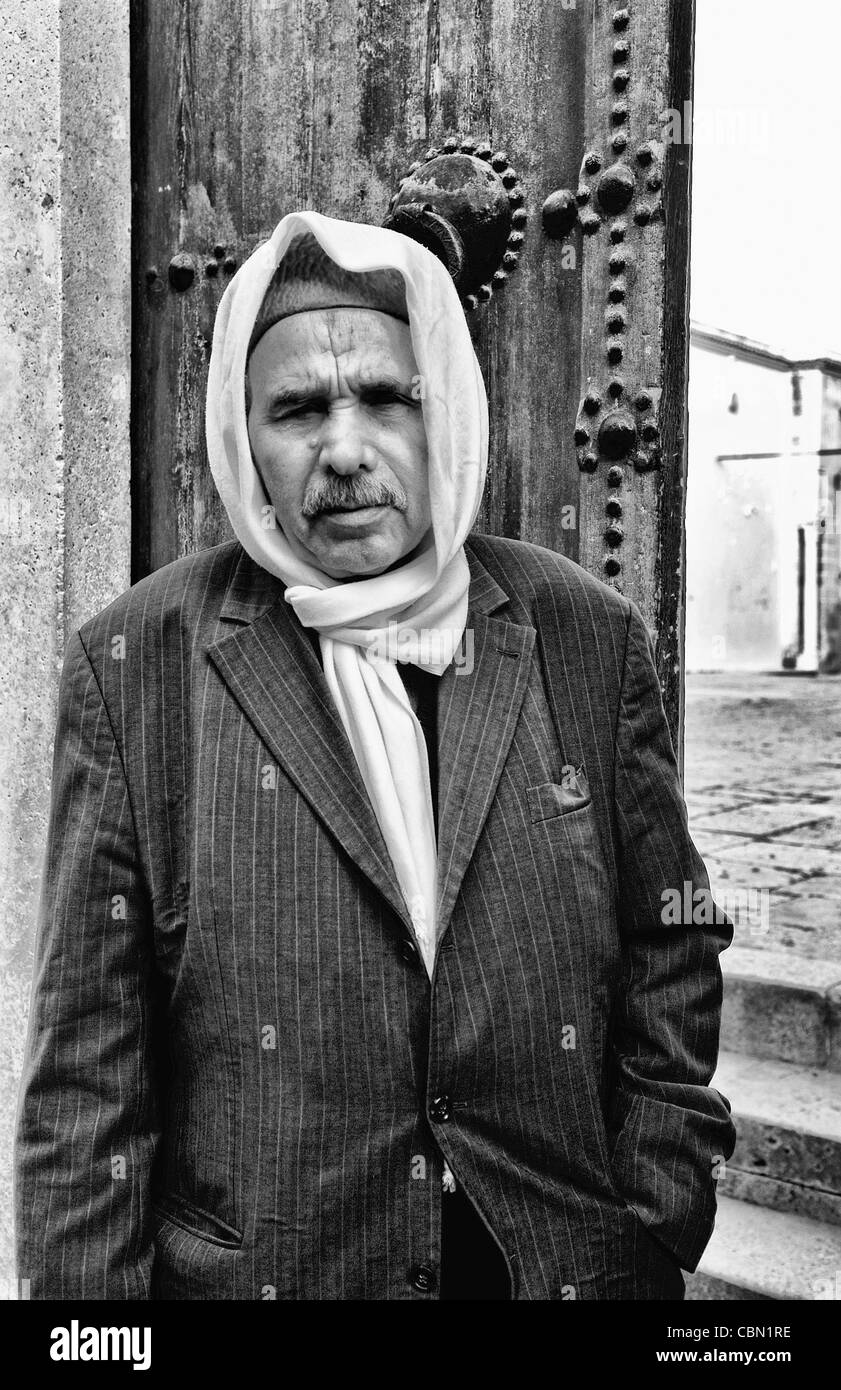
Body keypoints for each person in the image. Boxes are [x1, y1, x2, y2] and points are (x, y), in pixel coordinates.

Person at [14, 210, 736, 1300]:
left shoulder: (582, 634)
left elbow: (668, 936)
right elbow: (87, 1072)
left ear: (441, 409)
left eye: (388, 398)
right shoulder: (139, 664)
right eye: (298, 409)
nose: (345, 449)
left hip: (555, 1267)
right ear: (241, 436)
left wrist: (657, 1202)